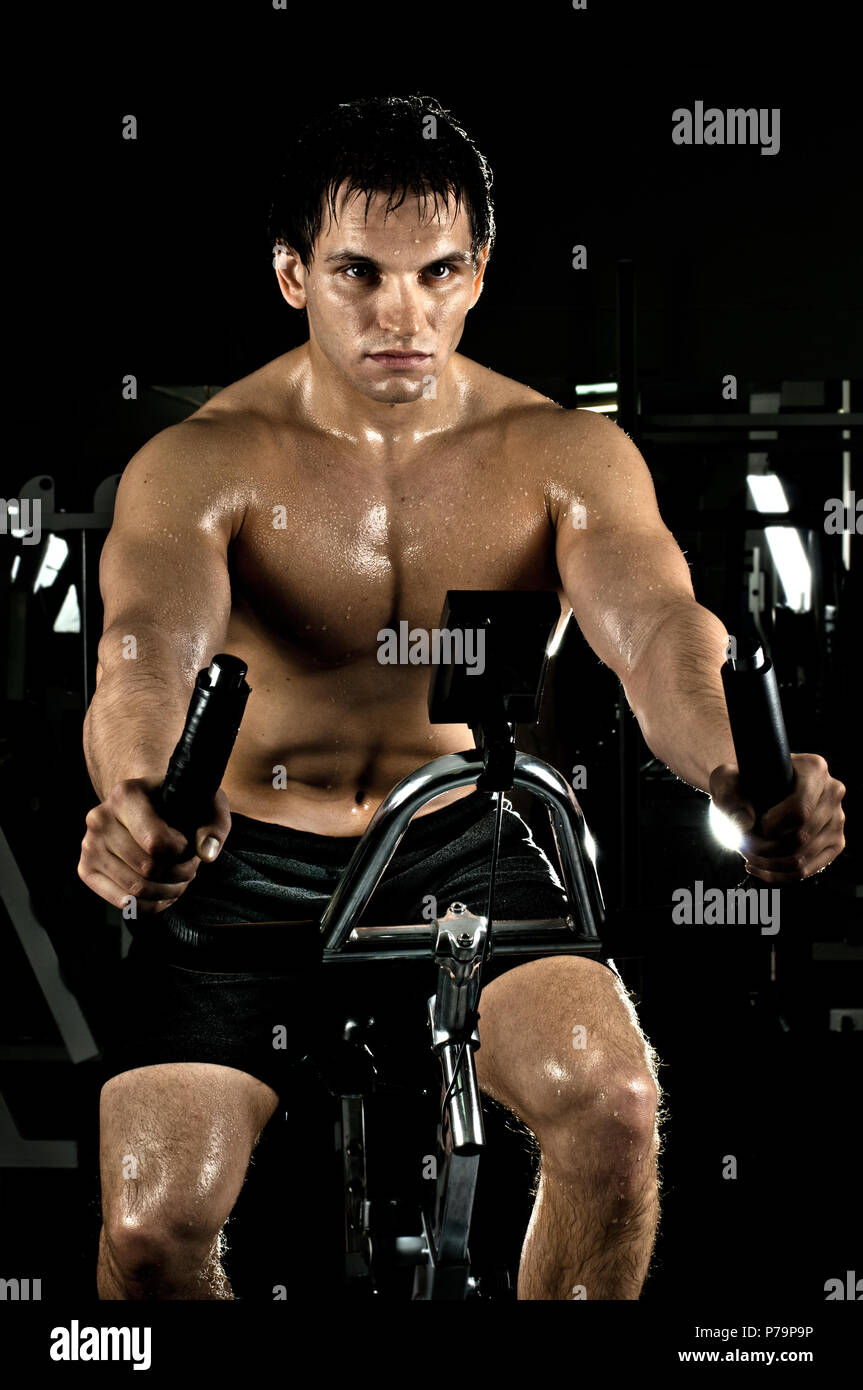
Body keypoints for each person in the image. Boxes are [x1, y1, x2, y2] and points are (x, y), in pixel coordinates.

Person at [79, 94, 846, 1300]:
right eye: (357, 274)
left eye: (437, 272)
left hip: (457, 841)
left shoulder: (558, 454)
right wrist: (133, 792)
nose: (402, 315)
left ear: (478, 272)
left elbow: (654, 633)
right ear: (290, 274)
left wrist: (733, 776)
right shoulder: (203, 463)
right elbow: (143, 648)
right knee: (145, 1233)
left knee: (615, 1108)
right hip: (239, 861)